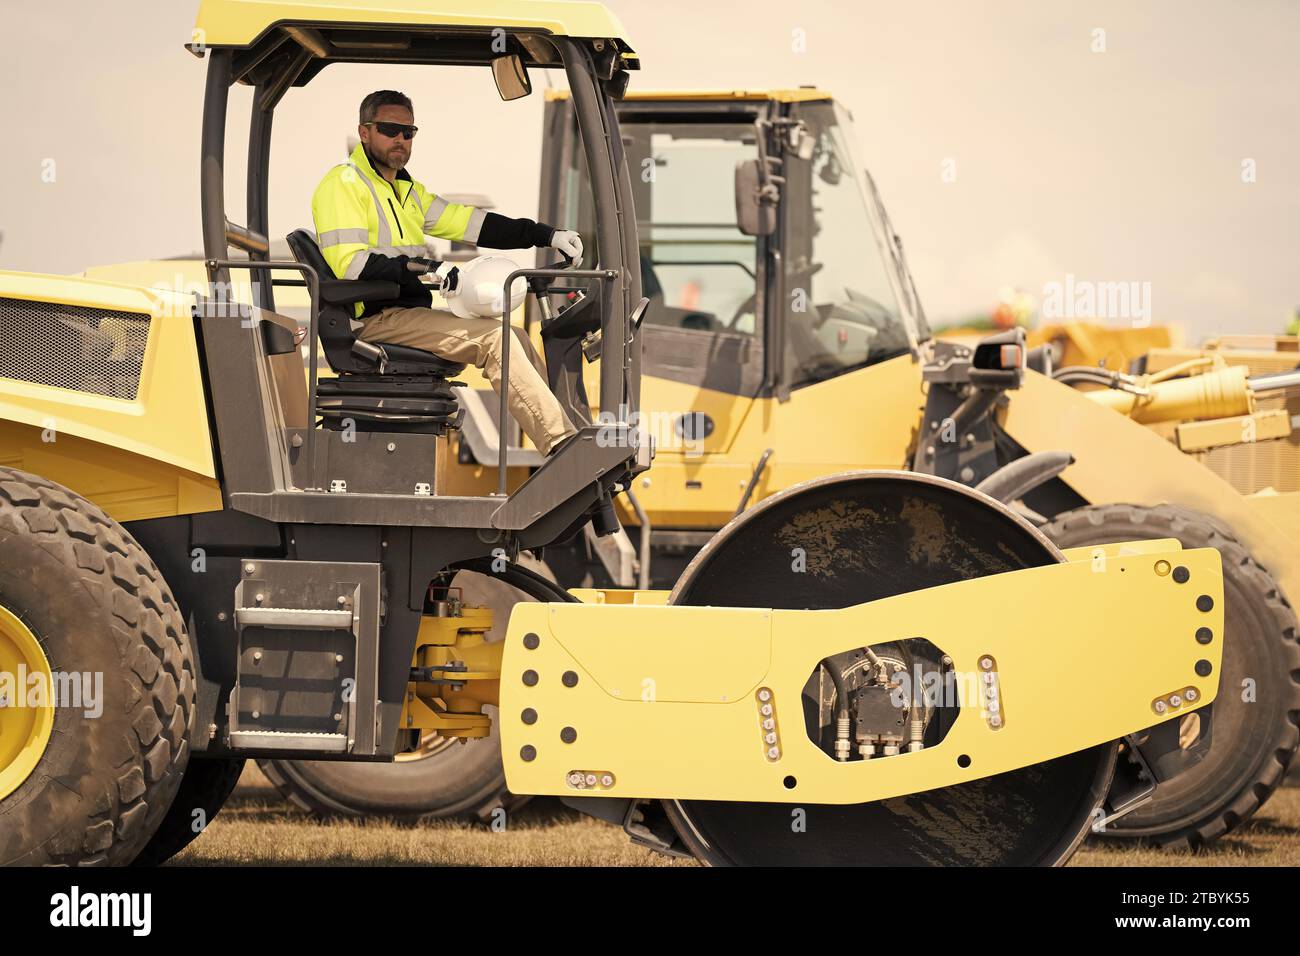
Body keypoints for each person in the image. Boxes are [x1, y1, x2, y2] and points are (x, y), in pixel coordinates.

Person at [312, 90, 580, 454]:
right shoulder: (344, 185)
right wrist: (430, 268)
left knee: (513, 335)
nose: (400, 140)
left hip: (404, 314)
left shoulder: (405, 190)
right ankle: (564, 447)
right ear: (364, 132)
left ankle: (566, 436)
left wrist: (545, 234)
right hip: (372, 319)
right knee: (495, 342)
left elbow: (471, 223)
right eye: (390, 129)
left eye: (409, 132)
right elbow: (352, 264)